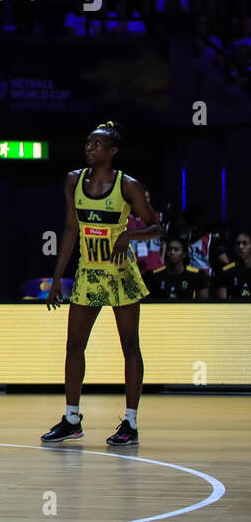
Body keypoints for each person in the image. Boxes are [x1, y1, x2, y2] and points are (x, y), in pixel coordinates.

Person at [43, 122, 162, 446]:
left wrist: (129, 234)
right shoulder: (73, 180)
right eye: (88, 143)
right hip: (87, 272)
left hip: (120, 274)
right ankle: (71, 419)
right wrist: (57, 278)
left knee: (129, 346)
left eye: (97, 144)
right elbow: (70, 230)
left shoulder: (128, 186)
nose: (90, 148)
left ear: (112, 152)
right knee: (73, 347)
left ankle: (131, 423)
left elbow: (156, 228)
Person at [144, 238, 210, 300]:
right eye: (169, 250)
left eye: (176, 250)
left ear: (184, 254)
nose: (172, 252)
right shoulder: (155, 275)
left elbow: (203, 302)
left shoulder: (197, 275)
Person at [214, 230, 251, 300]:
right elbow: (222, 303)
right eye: (238, 244)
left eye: (245, 243)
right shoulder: (225, 271)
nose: (240, 246)